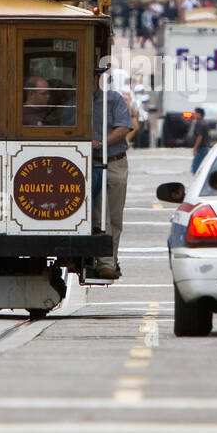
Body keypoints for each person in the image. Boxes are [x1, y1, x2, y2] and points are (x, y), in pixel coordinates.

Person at [91, 66, 132, 281]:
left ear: (96, 79)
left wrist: (102, 144)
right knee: (99, 214)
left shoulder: (114, 99)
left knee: (115, 216)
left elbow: (124, 127)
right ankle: (104, 262)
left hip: (115, 163)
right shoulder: (75, 102)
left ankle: (111, 259)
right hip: (91, 165)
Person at [189, 107, 210, 173]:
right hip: (205, 148)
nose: (194, 115)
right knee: (203, 168)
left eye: (195, 113)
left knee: (195, 169)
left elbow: (199, 137)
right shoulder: (205, 123)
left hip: (201, 149)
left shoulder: (199, 123)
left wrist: (195, 148)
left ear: (199, 114)